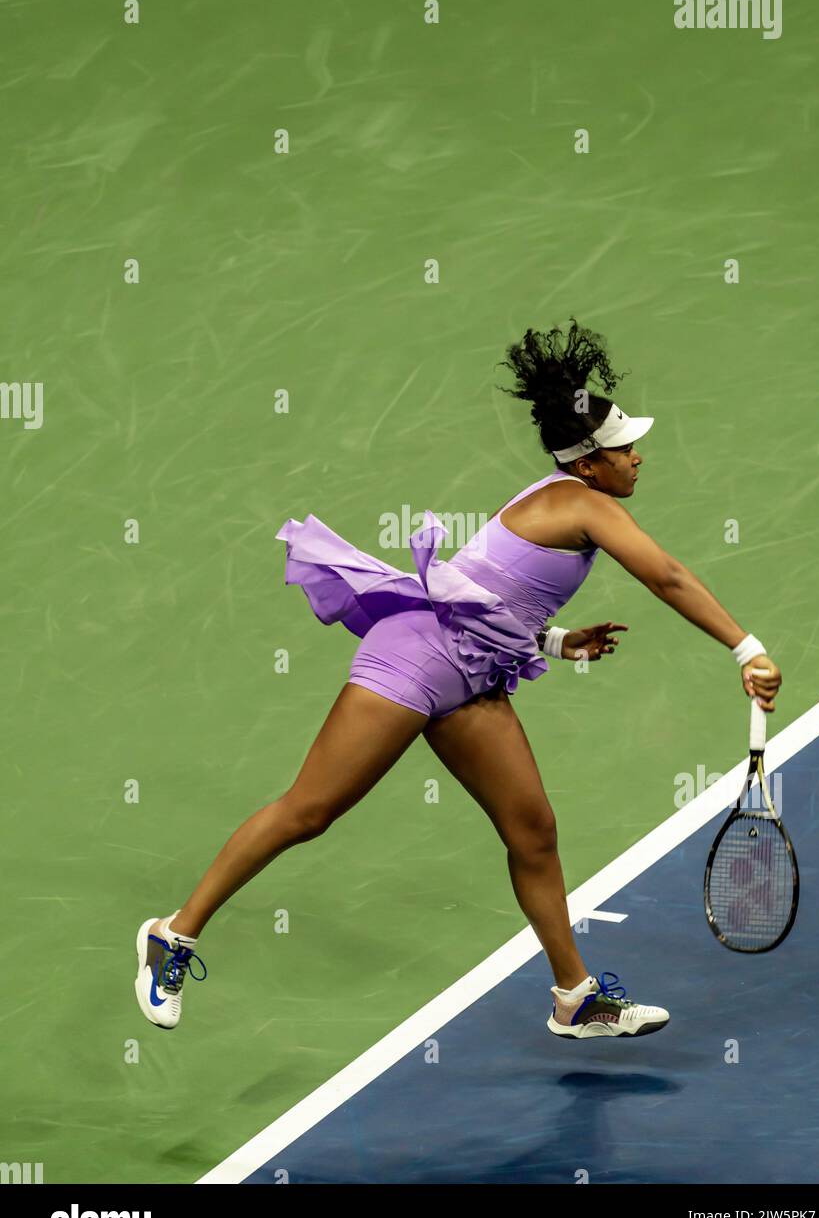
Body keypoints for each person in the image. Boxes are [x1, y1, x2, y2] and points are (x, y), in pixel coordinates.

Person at [134, 320, 782, 1039]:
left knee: (533, 831)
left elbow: (487, 595)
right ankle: (175, 933)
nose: (639, 459)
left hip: (471, 678)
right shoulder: (581, 503)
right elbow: (666, 576)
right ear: (590, 463)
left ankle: (575, 997)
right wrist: (744, 647)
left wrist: (561, 641)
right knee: (309, 811)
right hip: (414, 660)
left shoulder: (565, 500)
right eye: (627, 450)